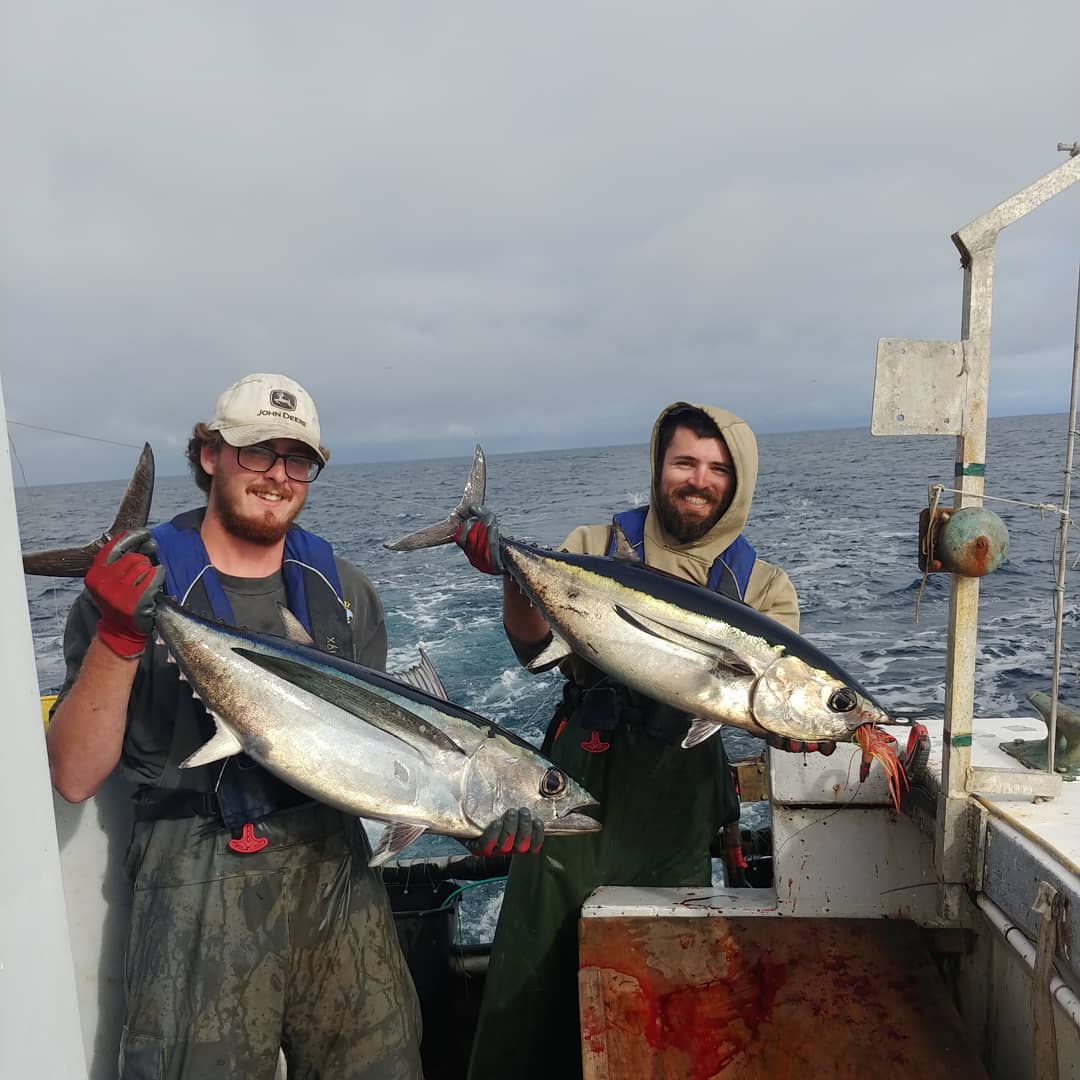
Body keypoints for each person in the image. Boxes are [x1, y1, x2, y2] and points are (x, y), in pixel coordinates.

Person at [46, 373, 424, 1080]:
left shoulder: (345, 591)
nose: (278, 476)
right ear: (210, 454)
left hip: (335, 868)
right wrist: (124, 637)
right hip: (193, 873)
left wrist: (477, 803)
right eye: (256, 452)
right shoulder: (131, 590)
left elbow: (383, 760)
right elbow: (74, 773)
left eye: (297, 459)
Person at [455, 402, 830, 1080]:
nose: (699, 479)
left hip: (680, 803)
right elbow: (533, 648)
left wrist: (801, 731)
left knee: (661, 985)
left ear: (736, 482)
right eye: (684, 461)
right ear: (660, 466)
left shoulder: (765, 589)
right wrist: (510, 574)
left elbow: (775, 706)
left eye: (718, 469)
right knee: (526, 979)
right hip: (579, 779)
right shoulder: (592, 547)